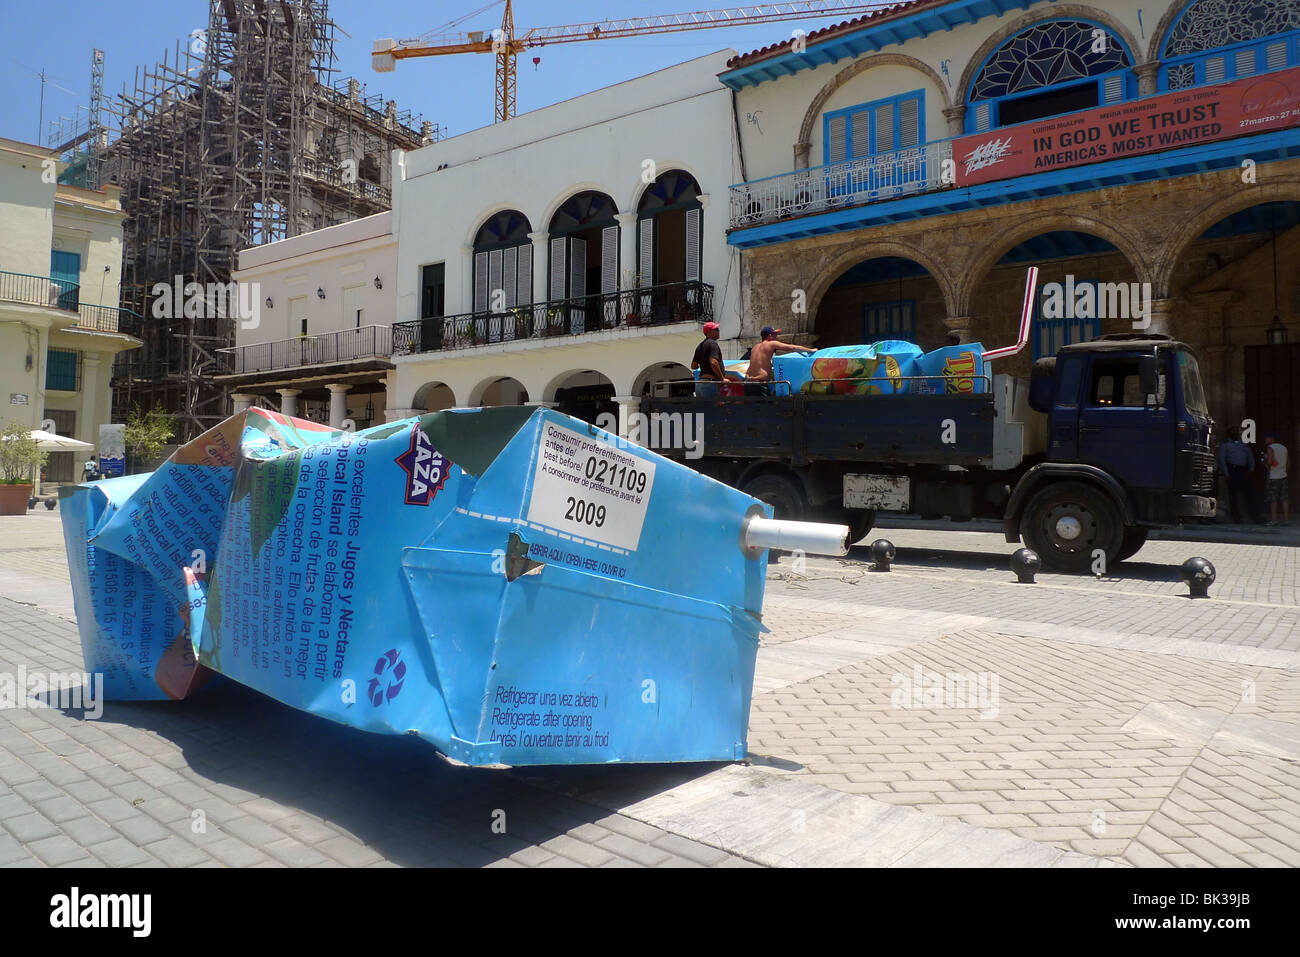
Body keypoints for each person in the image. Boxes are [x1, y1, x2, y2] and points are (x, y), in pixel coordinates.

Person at [1216, 426, 1261, 524]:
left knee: (1250, 495)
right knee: (1233, 496)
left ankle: (1255, 517)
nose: (1236, 433)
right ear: (1230, 434)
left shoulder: (1243, 444)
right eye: (1234, 432)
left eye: (1237, 432)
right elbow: (1221, 460)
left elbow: (1250, 456)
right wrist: (1226, 473)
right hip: (1232, 470)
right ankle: (1236, 518)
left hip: (1244, 471)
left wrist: (1251, 469)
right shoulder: (1225, 445)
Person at [745, 326, 815, 386]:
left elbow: (759, 363)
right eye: (775, 334)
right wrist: (810, 350)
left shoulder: (755, 347)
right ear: (770, 336)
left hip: (748, 381)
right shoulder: (771, 343)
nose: (776, 337)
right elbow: (792, 348)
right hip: (760, 382)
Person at [691, 321, 725, 397]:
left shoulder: (699, 346)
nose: (718, 331)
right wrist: (722, 379)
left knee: (703, 408)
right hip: (710, 383)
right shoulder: (713, 343)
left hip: (700, 384)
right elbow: (713, 362)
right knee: (713, 407)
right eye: (716, 329)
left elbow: (694, 366)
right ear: (709, 332)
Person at [1263, 432, 1289, 525]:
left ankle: (1274, 520)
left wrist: (1265, 459)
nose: (1265, 440)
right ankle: (1286, 520)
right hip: (1283, 475)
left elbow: (1270, 462)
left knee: (1273, 499)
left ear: (1271, 439)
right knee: (1284, 498)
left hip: (1274, 476)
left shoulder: (1270, 448)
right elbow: (1287, 463)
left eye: (1266, 438)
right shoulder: (1284, 448)